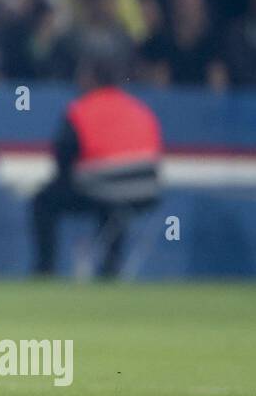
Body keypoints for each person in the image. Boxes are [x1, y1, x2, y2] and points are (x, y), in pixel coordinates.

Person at [31, 46, 162, 278]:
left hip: (102, 188)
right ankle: (111, 267)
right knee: (114, 207)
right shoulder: (140, 109)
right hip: (146, 191)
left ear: (91, 78)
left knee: (43, 201)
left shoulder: (81, 109)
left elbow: (64, 156)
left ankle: (45, 269)